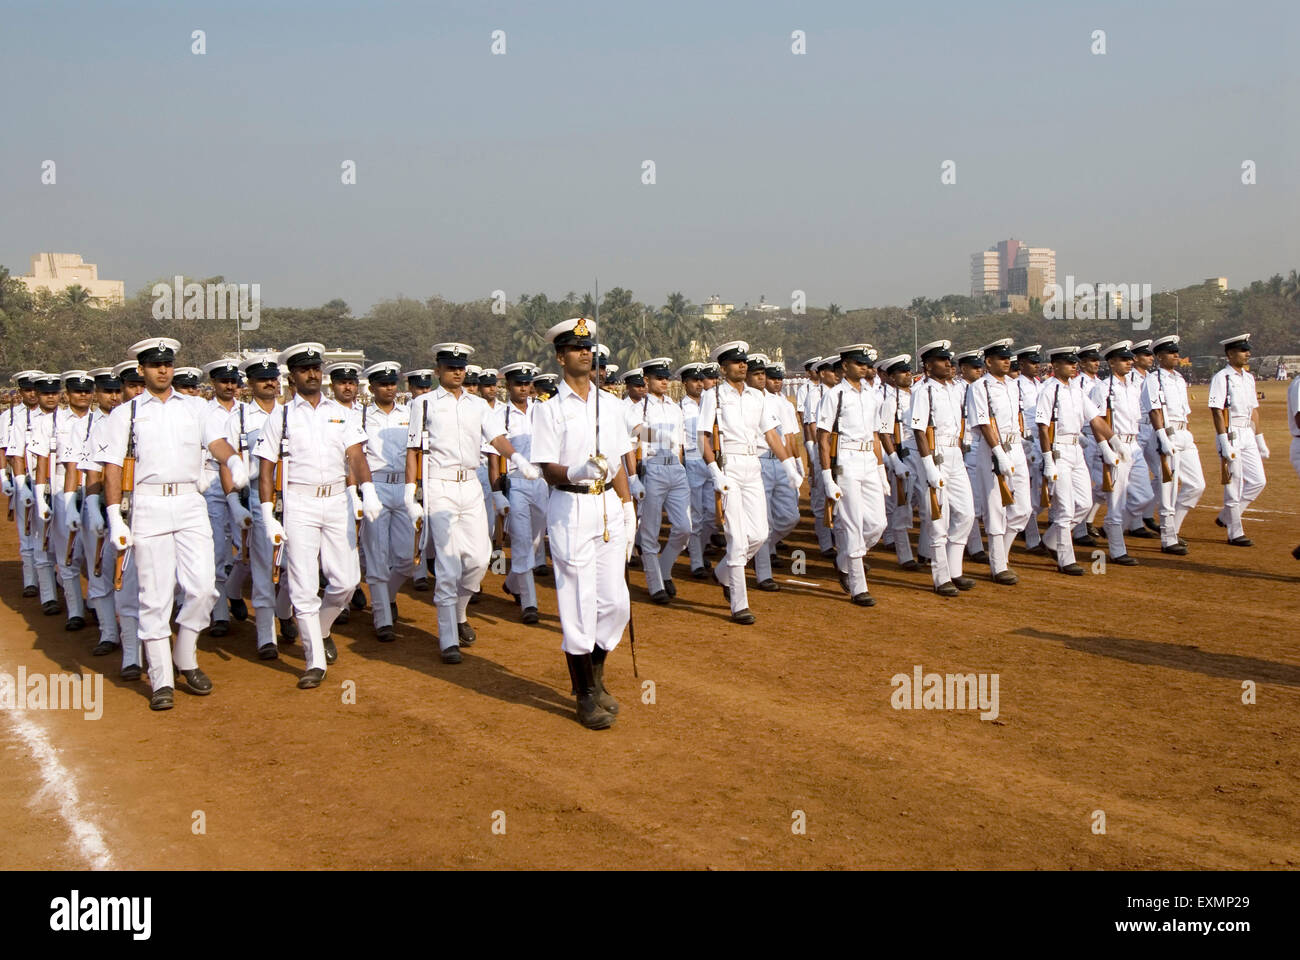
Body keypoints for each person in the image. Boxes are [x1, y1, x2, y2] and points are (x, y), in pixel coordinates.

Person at [101, 338, 221, 710]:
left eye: (167, 364)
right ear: (142, 370)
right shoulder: (127, 414)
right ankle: (161, 680)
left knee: (202, 588)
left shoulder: (196, 408)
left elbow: (216, 443)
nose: (163, 370)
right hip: (148, 501)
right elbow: (113, 467)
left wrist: (231, 462)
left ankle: (184, 654)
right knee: (155, 596)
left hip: (189, 500)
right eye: (154, 365)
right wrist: (114, 516)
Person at [254, 343, 382, 688]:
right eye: (304, 369)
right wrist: (268, 514)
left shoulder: (340, 412)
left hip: (336, 499)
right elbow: (266, 469)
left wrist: (366, 491)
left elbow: (355, 455)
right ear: (292, 376)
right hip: (299, 502)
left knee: (345, 580)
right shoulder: (279, 416)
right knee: (303, 584)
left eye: (316, 368)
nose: (312, 374)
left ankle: (323, 628)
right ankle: (313, 661)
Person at [402, 343, 539, 663]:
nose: (457, 371)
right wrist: (411, 492)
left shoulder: (478, 405)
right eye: (451, 366)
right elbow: (414, 450)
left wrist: (517, 458)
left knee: (478, 561)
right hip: (440, 485)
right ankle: (447, 636)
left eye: (461, 366)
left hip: (470, 488)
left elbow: (496, 439)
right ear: (438, 371)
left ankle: (460, 614)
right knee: (449, 565)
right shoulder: (423, 404)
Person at [529, 318, 635, 729]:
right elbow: (546, 469)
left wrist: (627, 505)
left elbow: (622, 459)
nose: (585, 353)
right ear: (560, 357)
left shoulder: (610, 404)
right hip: (570, 506)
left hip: (607, 504)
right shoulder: (548, 409)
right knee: (577, 601)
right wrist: (576, 470)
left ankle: (594, 670)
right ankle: (586, 694)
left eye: (589, 347)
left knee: (616, 603)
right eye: (576, 348)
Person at [698, 341, 802, 623]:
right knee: (737, 538)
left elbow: (771, 435)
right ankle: (739, 603)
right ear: (723, 368)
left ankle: (723, 573)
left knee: (759, 534)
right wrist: (715, 472)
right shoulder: (714, 396)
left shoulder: (758, 398)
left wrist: (789, 464)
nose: (742, 366)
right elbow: (703, 438)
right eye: (735, 362)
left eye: (744, 362)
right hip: (728, 465)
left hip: (752, 465)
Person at [205, 355, 293, 657]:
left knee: (296, 569)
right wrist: (234, 501)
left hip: (295, 496)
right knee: (263, 567)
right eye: (262, 378)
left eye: (273, 378)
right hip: (258, 497)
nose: (270, 383)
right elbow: (226, 464)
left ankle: (286, 613)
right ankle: (267, 636)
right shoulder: (239, 419)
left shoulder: (292, 413)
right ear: (251, 384)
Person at [817, 344, 890, 605]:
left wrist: (881, 470)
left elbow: (875, 435)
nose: (864, 367)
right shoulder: (834, 395)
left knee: (878, 523)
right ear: (845, 366)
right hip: (846, 460)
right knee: (852, 523)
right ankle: (859, 587)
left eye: (866, 363)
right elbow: (823, 437)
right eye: (858, 363)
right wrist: (827, 476)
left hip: (869, 458)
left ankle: (844, 561)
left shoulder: (872, 395)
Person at [1036, 346, 1118, 575]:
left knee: (1083, 503)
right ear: (1055, 365)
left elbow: (1095, 419)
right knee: (1065, 508)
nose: (1074, 365)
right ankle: (1065, 558)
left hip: (1076, 450)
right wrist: (1048, 458)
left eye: (1074, 362)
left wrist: (1115, 441)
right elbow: (1043, 427)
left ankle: (1051, 540)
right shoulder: (1049, 390)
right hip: (1059, 449)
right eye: (1068, 362)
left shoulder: (1076, 389)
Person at [910, 341, 976, 595]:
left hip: (955, 455)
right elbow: (918, 430)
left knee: (967, 513)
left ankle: (955, 570)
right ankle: (941, 578)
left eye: (949, 359)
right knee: (938, 519)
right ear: (928, 365)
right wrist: (928, 466)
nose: (949, 363)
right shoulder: (922, 391)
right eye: (942, 359)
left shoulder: (955, 389)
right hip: (934, 455)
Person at [626, 357, 691, 603]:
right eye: (659, 378)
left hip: (675, 468)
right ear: (647, 380)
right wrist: (634, 478)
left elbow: (681, 443)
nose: (664, 381)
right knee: (651, 530)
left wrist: (681, 464)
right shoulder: (637, 408)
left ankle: (664, 569)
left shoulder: (675, 408)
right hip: (653, 468)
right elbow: (634, 436)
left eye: (666, 377)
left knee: (685, 528)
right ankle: (656, 585)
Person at [495, 362, 549, 623]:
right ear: (508, 386)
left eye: (527, 384)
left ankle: (512, 583)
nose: (524, 388)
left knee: (537, 540)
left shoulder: (541, 410)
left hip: (540, 482)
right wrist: (497, 491)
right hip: (516, 483)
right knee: (521, 542)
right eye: (519, 384)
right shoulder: (501, 414)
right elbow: (494, 455)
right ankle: (529, 603)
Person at [1143, 335, 1204, 556]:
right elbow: (1154, 409)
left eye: (1177, 351)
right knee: (1168, 488)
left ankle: (1173, 530)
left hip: (1184, 432)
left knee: (1197, 485)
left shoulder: (1179, 378)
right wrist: (1162, 436)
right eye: (1171, 352)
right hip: (1166, 434)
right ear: (1159, 356)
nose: (1176, 355)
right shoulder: (1153, 379)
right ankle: (1168, 539)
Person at [1208, 334, 1266, 546]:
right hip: (1230, 433)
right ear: (1230, 354)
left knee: (1259, 480)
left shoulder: (1248, 378)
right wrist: (1223, 439)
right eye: (1243, 351)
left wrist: (1259, 438)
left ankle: (1226, 517)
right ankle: (1235, 533)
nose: (1247, 354)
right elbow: (1216, 410)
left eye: (1247, 350)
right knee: (1234, 485)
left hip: (1247, 433)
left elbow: (1254, 411)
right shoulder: (1222, 377)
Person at [200, 359, 244, 636]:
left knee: (246, 547)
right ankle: (220, 613)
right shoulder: (204, 413)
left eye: (233, 381)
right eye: (224, 381)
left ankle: (234, 590)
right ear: (213, 383)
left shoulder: (246, 412)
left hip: (241, 484)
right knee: (217, 549)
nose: (229, 386)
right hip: (212, 486)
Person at [1090, 341, 1143, 565]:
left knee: (1144, 497)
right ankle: (1117, 549)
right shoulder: (1103, 388)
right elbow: (1097, 421)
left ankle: (1108, 524)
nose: (1129, 362)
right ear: (1112, 362)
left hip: (1135, 445)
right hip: (1116, 445)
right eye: (1124, 359)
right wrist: (1106, 447)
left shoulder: (1133, 386)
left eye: (1130, 359)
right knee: (1116, 500)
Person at [757, 361, 803, 586]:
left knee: (790, 516)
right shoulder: (751, 400)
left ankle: (760, 548)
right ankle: (763, 572)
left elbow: (790, 435)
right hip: (759, 461)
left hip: (781, 461)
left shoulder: (781, 403)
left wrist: (796, 461)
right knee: (764, 519)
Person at [677, 362, 716, 578]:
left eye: (701, 380)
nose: (699, 384)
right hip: (692, 462)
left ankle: (700, 551)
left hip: (711, 462)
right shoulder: (680, 408)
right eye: (695, 380)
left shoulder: (710, 403)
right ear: (685, 384)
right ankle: (696, 562)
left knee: (712, 514)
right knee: (697, 516)